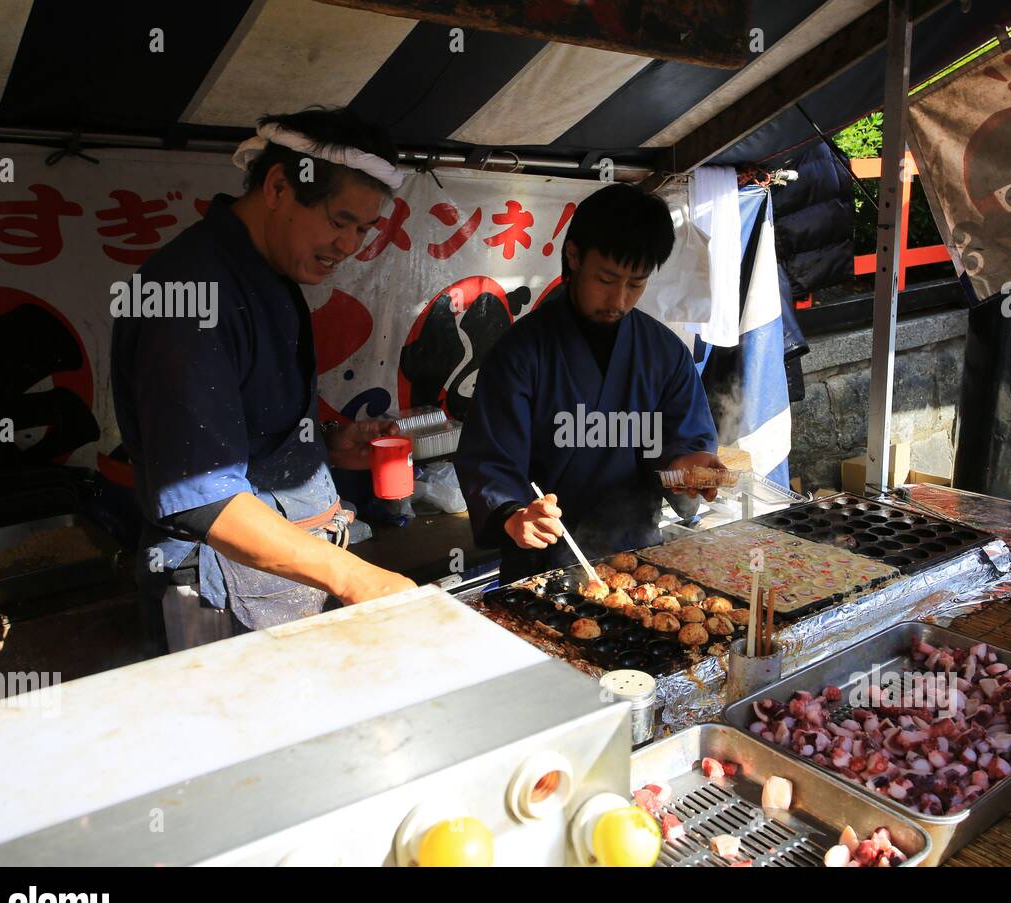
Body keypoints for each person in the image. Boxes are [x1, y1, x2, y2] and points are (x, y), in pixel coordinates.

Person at [111, 107, 416, 650]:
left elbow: (244, 436)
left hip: (279, 576)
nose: (349, 246)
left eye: (364, 229)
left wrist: (321, 447)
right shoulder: (190, 292)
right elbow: (199, 494)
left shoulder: (270, 270)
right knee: (230, 731)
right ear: (278, 186)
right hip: (214, 590)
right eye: (339, 220)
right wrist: (357, 578)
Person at [456, 183, 724, 583]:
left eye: (636, 284)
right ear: (574, 256)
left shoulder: (663, 351)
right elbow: (489, 460)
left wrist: (690, 466)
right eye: (606, 278)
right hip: (541, 562)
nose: (618, 299)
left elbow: (684, 443)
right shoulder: (521, 353)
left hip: (638, 559)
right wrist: (514, 515)